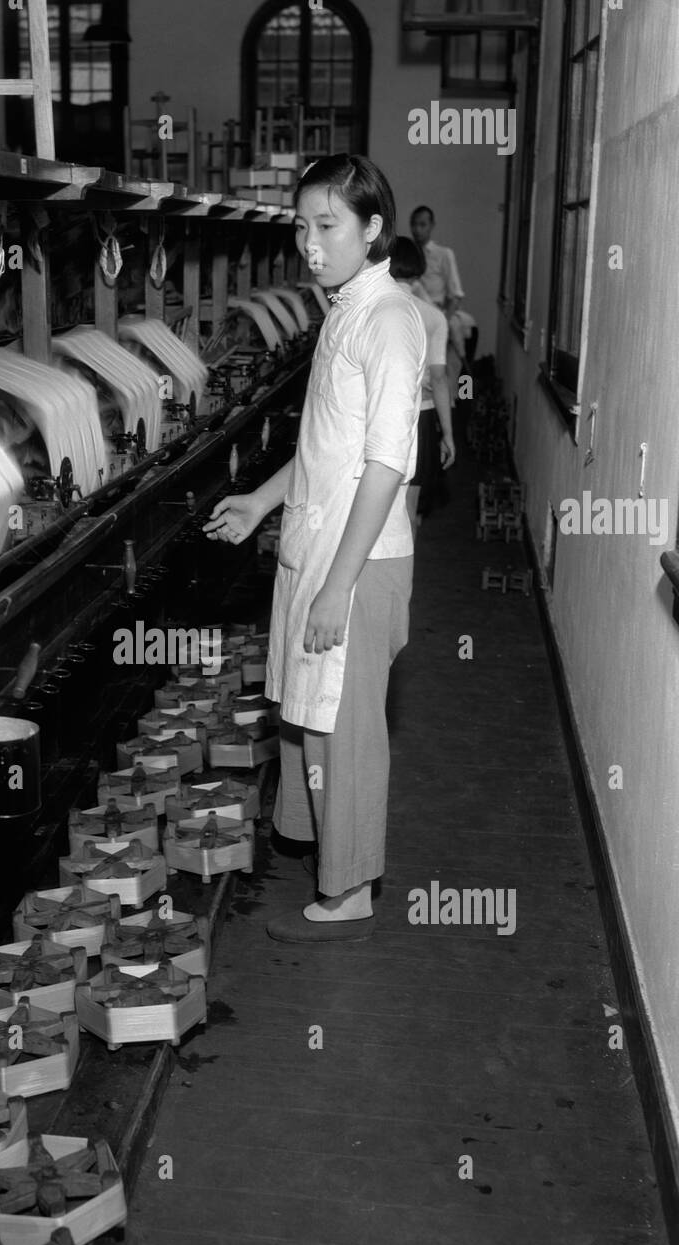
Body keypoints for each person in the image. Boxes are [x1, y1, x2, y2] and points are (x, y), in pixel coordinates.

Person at [204, 154, 425, 943]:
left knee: (345, 724)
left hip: (356, 561)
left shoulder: (391, 320)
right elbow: (328, 445)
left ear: (373, 231)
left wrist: (340, 585)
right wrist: (261, 499)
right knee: (306, 710)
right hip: (320, 543)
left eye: (326, 226)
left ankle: (350, 890)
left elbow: (386, 463)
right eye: (302, 225)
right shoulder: (343, 310)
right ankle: (310, 842)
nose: (309, 242)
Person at [389, 235, 455, 523]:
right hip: (421, 419)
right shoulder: (433, 317)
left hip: (378, 416)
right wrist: (448, 435)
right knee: (410, 512)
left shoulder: (369, 310)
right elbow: (439, 380)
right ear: (419, 269)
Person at [409, 205, 477, 368]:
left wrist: (443, 322)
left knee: (449, 369)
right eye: (414, 224)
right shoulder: (407, 253)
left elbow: (456, 294)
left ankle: (466, 382)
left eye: (423, 224)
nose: (417, 230)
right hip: (414, 314)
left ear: (432, 225)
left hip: (438, 313)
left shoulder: (443, 254)